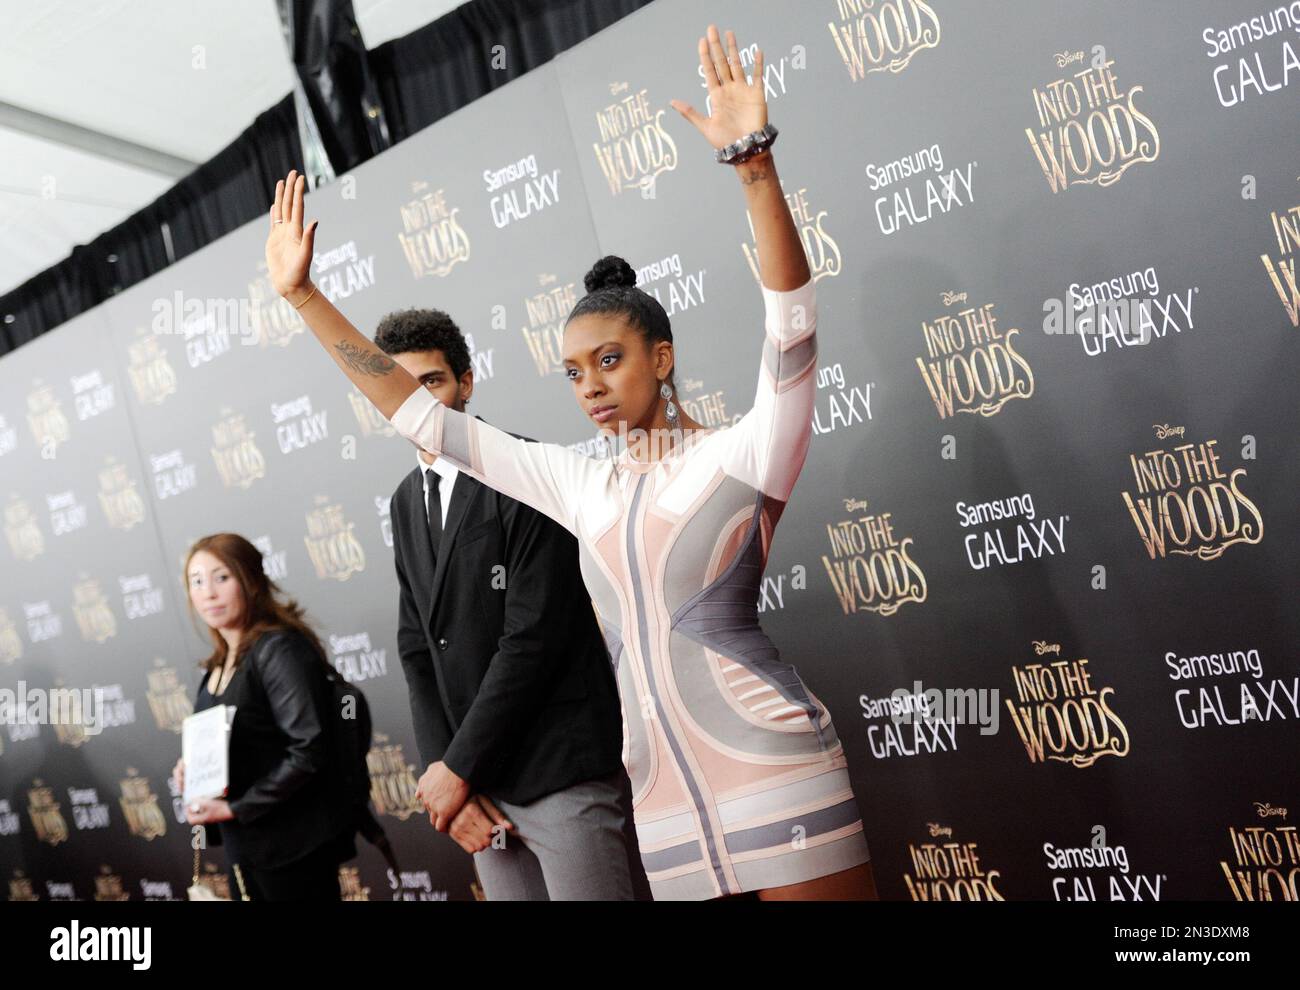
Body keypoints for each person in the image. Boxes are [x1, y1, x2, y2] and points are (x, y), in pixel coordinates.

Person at [265, 24, 877, 900]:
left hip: (777, 771)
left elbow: (792, 326)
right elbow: (421, 419)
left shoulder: (748, 451)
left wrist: (752, 164)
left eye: (612, 361)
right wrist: (304, 296)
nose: (589, 386)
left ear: (661, 357)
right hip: (662, 802)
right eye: (573, 371)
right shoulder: (575, 481)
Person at [378, 308, 650, 900]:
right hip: (479, 794)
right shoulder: (404, 502)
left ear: (466, 383)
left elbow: (533, 638)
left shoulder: (524, 472)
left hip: (561, 770)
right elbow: (416, 648)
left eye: (430, 383)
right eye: (399, 388)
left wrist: (457, 769)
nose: (417, 404)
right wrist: (445, 781)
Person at [173, 533, 356, 901]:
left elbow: (308, 751)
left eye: (221, 577)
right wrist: (191, 769)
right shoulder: (216, 667)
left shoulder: (279, 650)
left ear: (251, 581)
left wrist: (236, 807)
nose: (208, 592)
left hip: (293, 851)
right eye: (197, 581)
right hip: (245, 849)